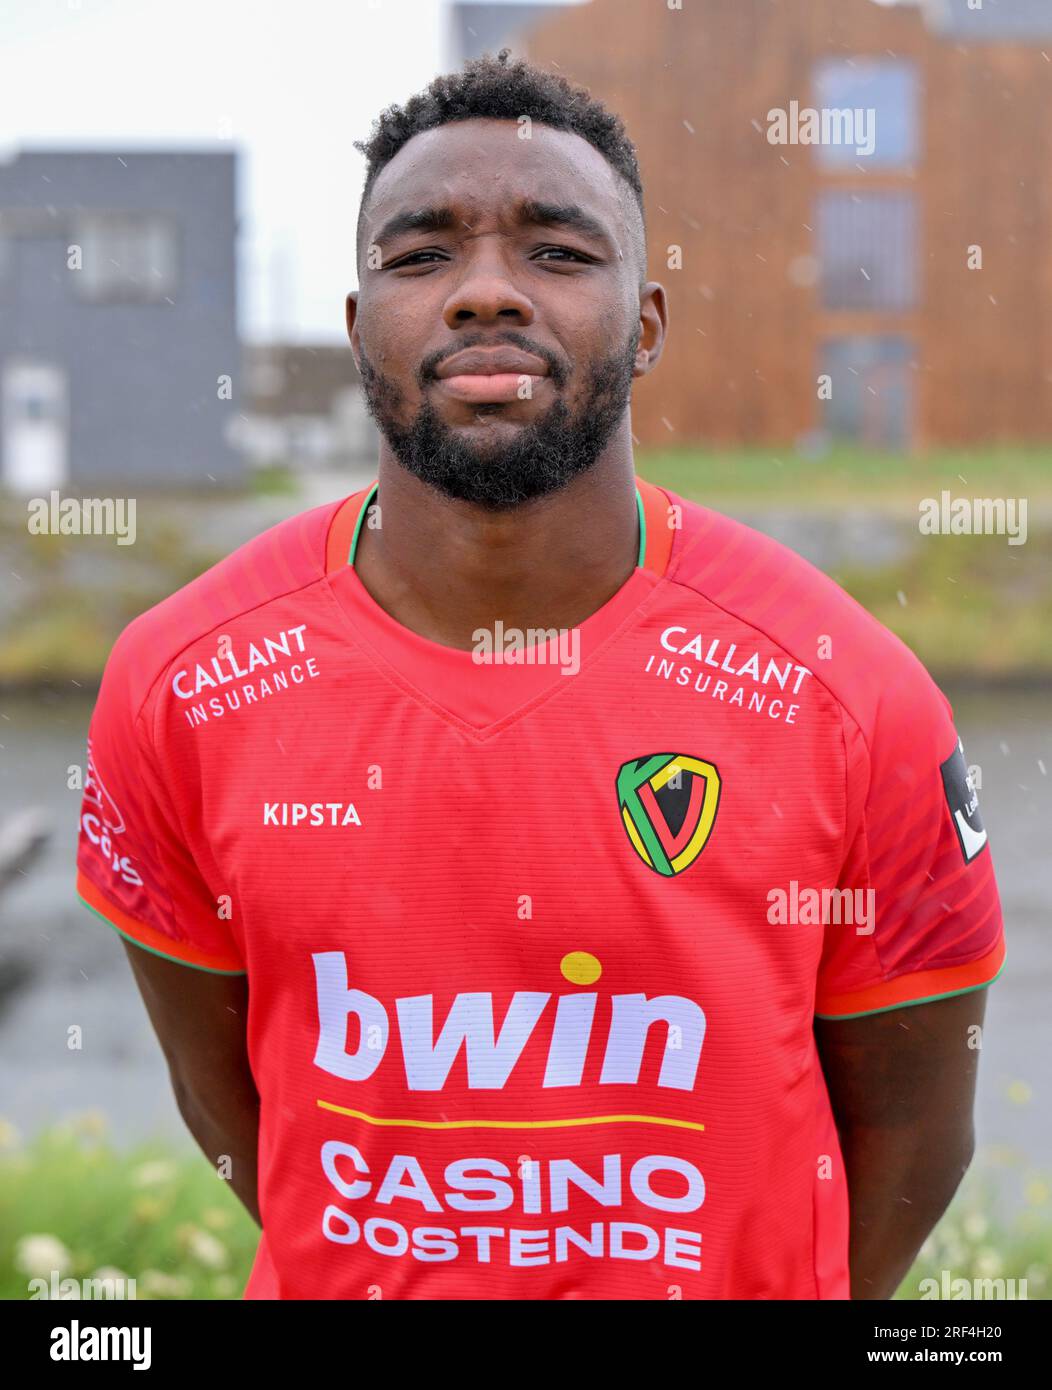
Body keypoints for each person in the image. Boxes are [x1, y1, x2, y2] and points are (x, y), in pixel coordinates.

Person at [75, 50, 1005, 1300]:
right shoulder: (182, 682)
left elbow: (911, 1136)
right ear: (361, 333)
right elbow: (228, 1095)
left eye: (557, 253)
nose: (482, 295)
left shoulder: (847, 693)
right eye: (420, 258)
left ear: (648, 324)